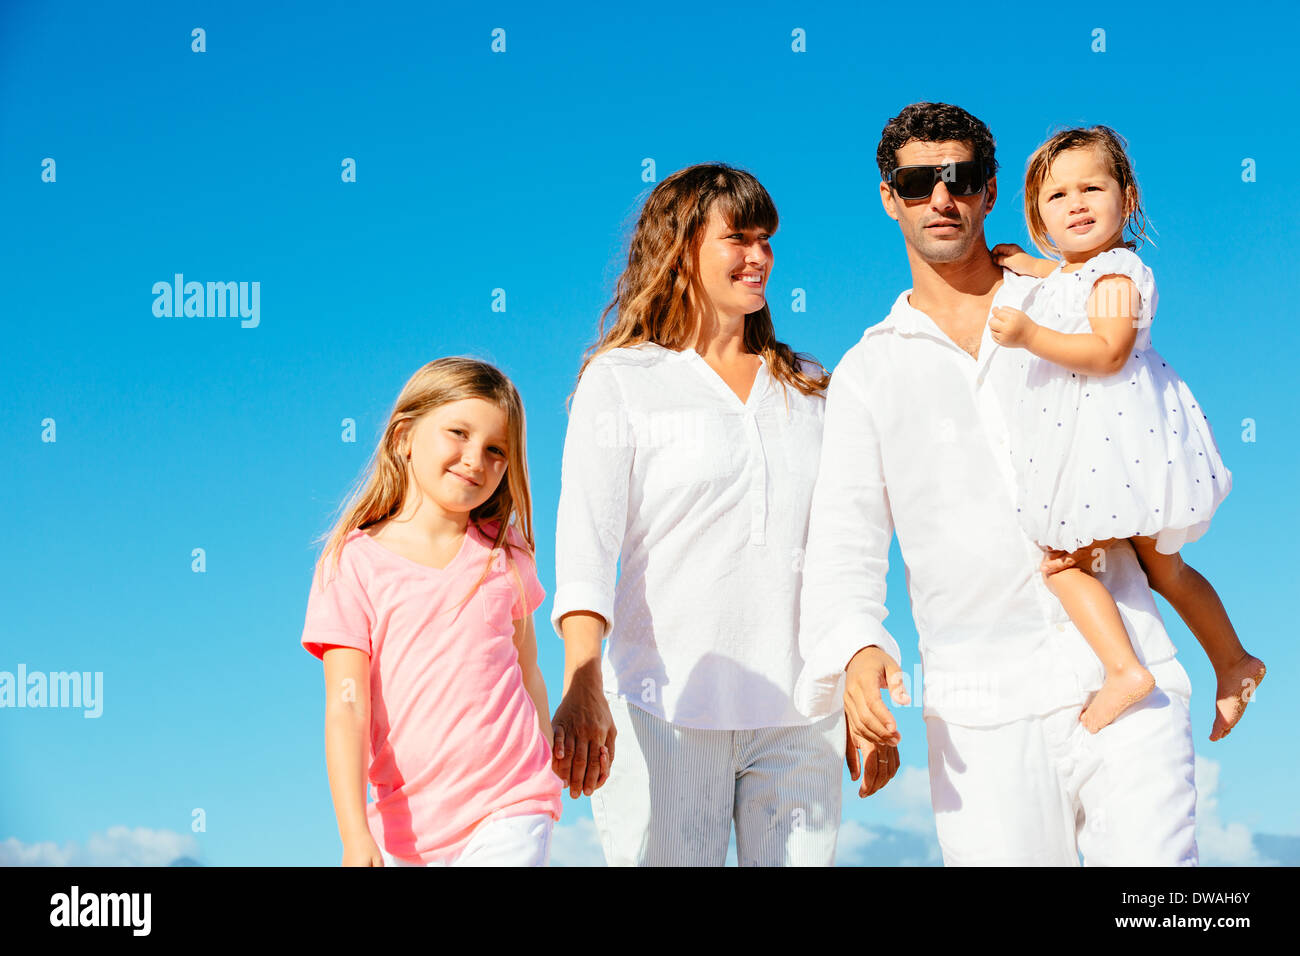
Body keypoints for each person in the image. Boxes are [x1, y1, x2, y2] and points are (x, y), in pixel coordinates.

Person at [795, 102, 1199, 865]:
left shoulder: (1066, 301)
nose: (941, 199)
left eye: (961, 178)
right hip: (980, 716)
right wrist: (856, 655)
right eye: (918, 183)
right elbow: (844, 546)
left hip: (1126, 662)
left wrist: (1052, 273)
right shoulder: (867, 373)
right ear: (890, 198)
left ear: (988, 191)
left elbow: (1149, 414)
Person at [550, 163, 853, 867]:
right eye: (739, 238)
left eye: (767, 240)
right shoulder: (623, 379)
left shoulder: (809, 389)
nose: (760, 257)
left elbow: (845, 543)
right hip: (663, 707)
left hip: (801, 713)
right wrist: (582, 679)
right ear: (681, 247)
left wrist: (858, 666)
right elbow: (587, 542)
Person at [986, 125, 1264, 736]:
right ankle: (1234, 659)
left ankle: (1124, 672)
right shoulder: (1078, 272)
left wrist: (1030, 336)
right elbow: (1066, 281)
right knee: (1166, 567)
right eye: (1057, 197)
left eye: (1092, 187)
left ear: (1127, 197)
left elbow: (1109, 350)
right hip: (1110, 443)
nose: (1076, 203)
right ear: (1040, 216)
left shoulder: (1117, 273)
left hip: (1108, 443)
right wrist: (1031, 266)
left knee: (1064, 564)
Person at [299, 357, 561, 866]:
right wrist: (355, 836)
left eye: (495, 450)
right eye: (458, 433)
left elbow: (529, 671)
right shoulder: (352, 565)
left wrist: (545, 763)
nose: (474, 459)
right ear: (403, 436)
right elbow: (347, 707)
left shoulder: (505, 554)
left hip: (511, 803)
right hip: (405, 829)